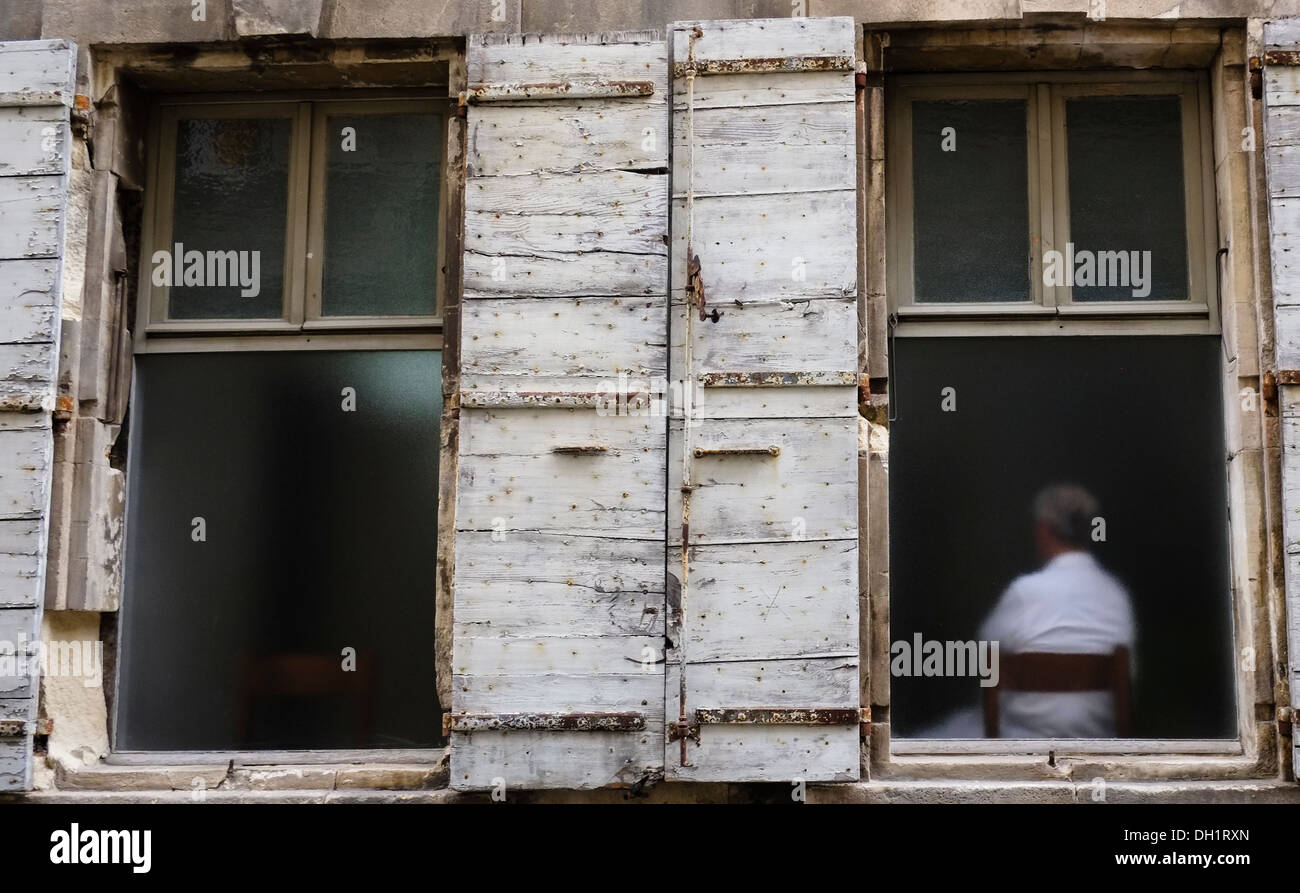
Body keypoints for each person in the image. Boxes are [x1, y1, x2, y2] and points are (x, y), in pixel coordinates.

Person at [921, 483, 1137, 738]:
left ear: (1044, 530)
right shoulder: (1116, 595)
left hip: (1017, 742)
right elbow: (1130, 678)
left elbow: (982, 657)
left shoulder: (1024, 592)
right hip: (1096, 744)